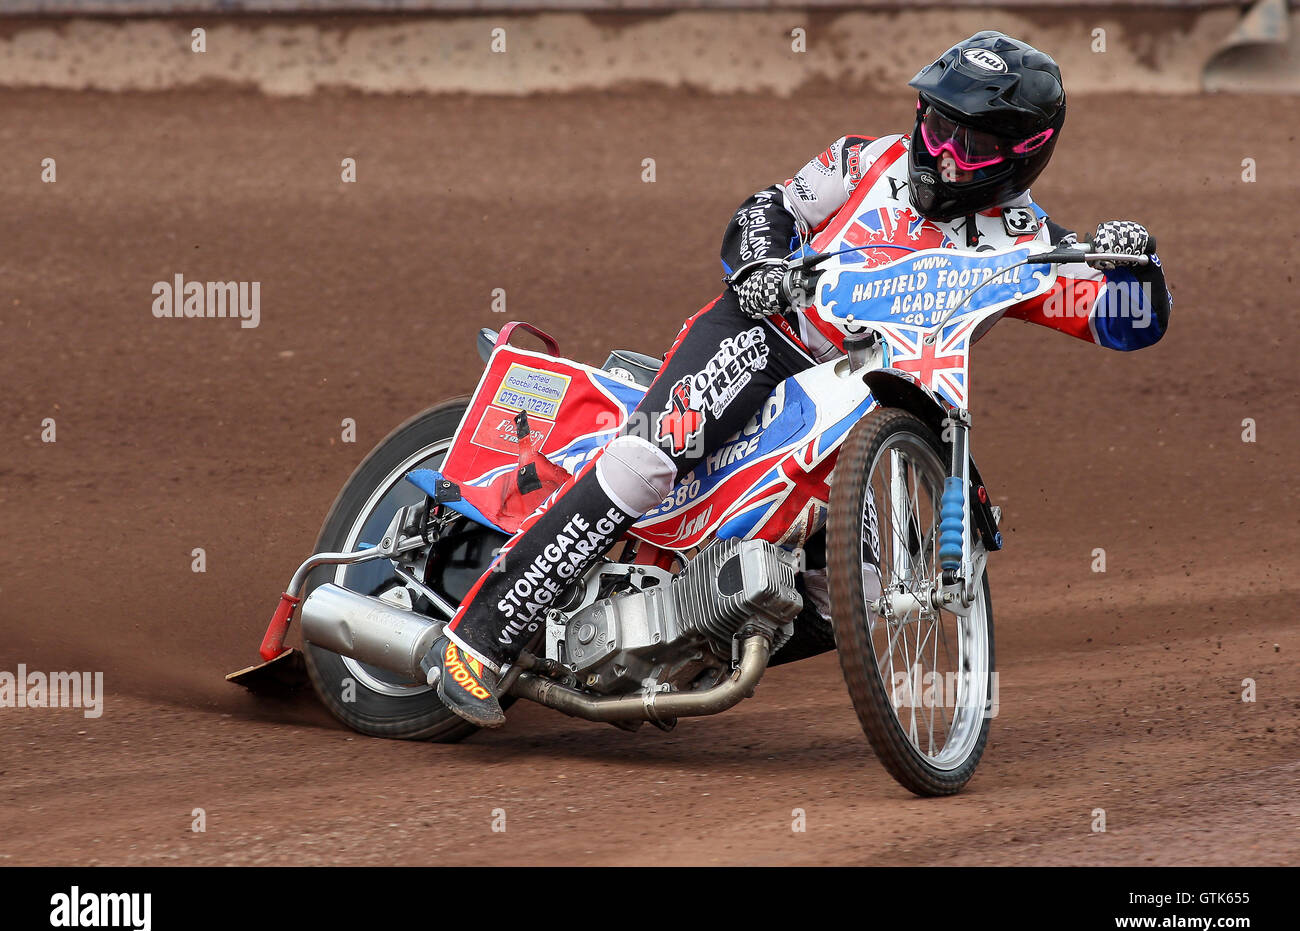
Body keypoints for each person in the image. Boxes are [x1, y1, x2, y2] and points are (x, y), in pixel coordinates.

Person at [421, 30, 1172, 728]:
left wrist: (1139, 262)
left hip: (867, 404)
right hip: (769, 338)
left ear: (1024, 153)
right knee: (653, 455)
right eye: (936, 127)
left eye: (969, 142)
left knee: (860, 594)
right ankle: (485, 631)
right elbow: (768, 206)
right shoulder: (861, 162)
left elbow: (1123, 320)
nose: (942, 153)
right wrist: (758, 268)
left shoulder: (1031, 246)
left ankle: (680, 653)